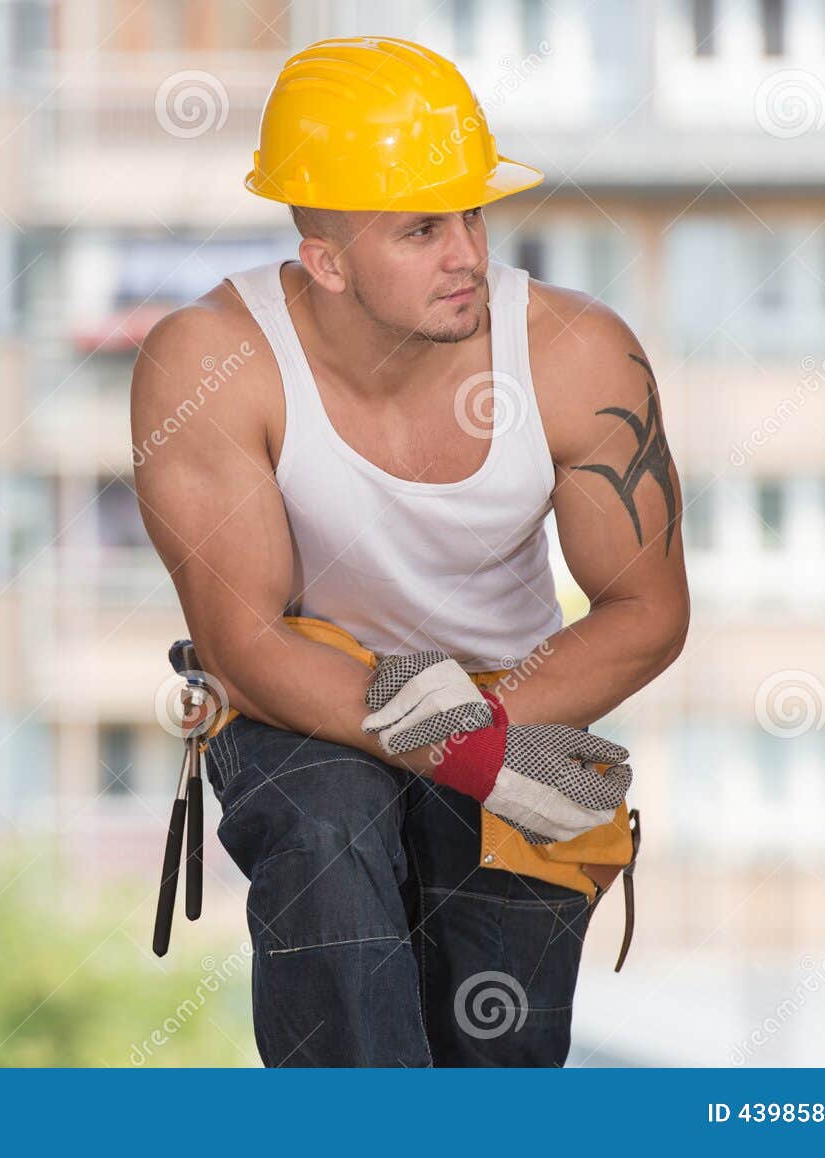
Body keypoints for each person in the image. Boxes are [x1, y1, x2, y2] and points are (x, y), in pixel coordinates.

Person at [131, 35, 689, 1067]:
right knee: (329, 841)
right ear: (326, 261)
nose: (468, 254)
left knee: (496, 1056)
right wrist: (466, 756)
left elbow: (645, 610)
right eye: (423, 228)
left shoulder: (576, 355)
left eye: (473, 214)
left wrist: (478, 732)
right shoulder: (211, 364)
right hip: (304, 691)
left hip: (511, 690)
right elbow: (246, 642)